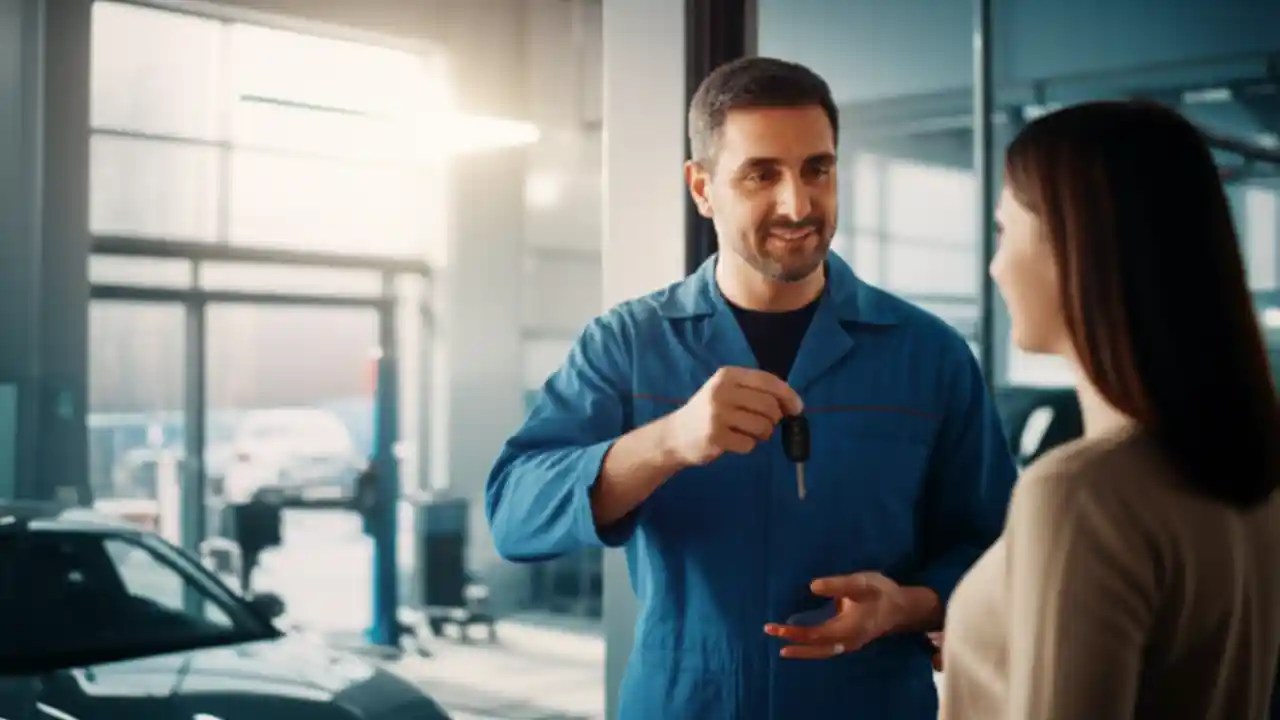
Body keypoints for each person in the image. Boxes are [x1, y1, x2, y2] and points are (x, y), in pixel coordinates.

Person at [486, 56, 1017, 719]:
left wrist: (907, 606)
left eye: (817, 169)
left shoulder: (927, 353)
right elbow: (513, 515)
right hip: (683, 704)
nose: (797, 204)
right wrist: (667, 442)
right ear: (702, 188)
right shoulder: (626, 345)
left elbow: (1001, 551)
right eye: (761, 174)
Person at [940, 100, 1280, 719]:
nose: (994, 266)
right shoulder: (1247, 471)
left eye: (1003, 231)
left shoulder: (1079, 495)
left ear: (1074, 248)